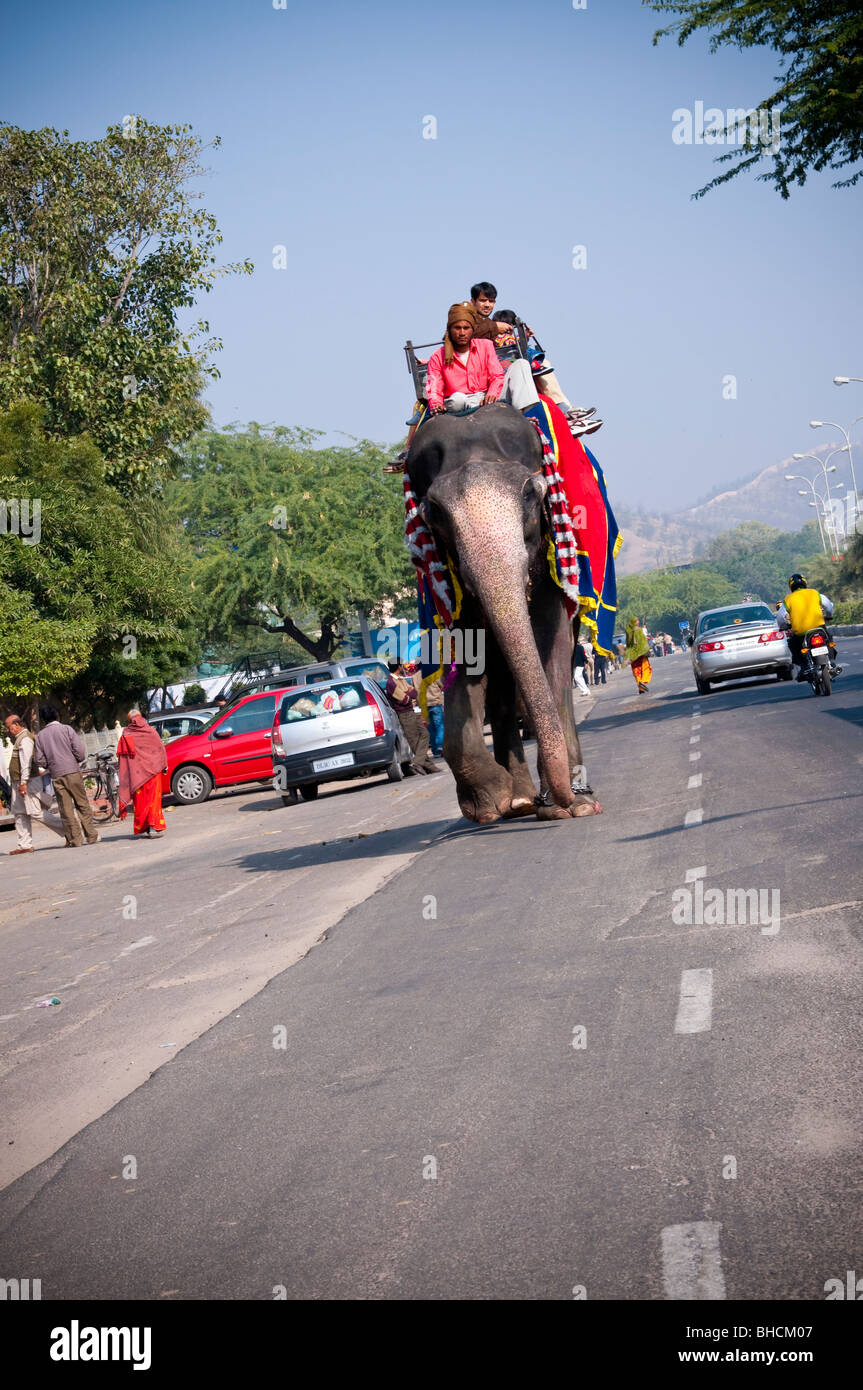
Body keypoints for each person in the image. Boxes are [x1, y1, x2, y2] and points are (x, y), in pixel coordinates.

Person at [425, 302, 541, 417]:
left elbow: (497, 376)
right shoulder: (438, 356)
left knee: (522, 364)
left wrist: (491, 394)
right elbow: (434, 387)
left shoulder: (486, 345)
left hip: (488, 396)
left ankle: (518, 417)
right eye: (457, 328)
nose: (462, 333)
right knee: (457, 400)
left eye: (466, 328)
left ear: (473, 329)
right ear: (450, 330)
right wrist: (436, 405)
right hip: (461, 402)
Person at [34, 706, 100, 847]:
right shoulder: (66, 729)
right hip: (72, 771)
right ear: (57, 715)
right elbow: (80, 750)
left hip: (56, 774)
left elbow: (39, 759)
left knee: (65, 808)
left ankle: (76, 839)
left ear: (44, 719)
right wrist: (76, 759)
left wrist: (50, 765)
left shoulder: (40, 736)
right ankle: (91, 835)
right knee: (82, 804)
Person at [3, 713, 65, 854]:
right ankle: (24, 845)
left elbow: (26, 763)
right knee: (19, 813)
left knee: (35, 812)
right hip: (19, 781)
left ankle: (68, 829)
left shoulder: (25, 739)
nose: (8, 730)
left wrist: (24, 782)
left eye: (9, 727)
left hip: (27, 781)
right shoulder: (20, 739)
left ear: (17, 725)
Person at [117, 708, 169, 838]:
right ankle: (152, 827)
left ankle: (146, 827)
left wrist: (126, 776)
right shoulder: (151, 731)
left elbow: (123, 758)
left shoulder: (126, 733)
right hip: (153, 773)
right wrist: (164, 765)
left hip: (137, 775)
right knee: (153, 800)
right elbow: (160, 749)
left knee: (141, 802)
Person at [776, 574, 838, 679]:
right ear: (805, 583)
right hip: (819, 627)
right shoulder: (815, 593)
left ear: (791, 586)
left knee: (793, 644)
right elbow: (828, 605)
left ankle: (804, 667)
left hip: (801, 632)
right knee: (829, 640)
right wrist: (828, 616)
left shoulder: (788, 599)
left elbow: (780, 618)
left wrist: (784, 626)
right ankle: (831, 661)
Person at [384, 662, 440, 775]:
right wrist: (408, 694)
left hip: (411, 711)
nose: (403, 667)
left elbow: (414, 693)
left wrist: (409, 694)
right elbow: (405, 699)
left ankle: (419, 763)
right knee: (415, 742)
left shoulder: (401, 679)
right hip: (404, 715)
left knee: (425, 734)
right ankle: (429, 767)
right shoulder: (391, 683)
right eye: (402, 665)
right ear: (398, 666)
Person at [625, 617, 652, 694]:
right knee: (645, 668)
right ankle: (642, 682)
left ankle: (640, 685)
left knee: (636, 670)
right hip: (640, 653)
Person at [424, 677, 445, 756]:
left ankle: (435, 751)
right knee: (439, 726)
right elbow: (442, 685)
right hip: (435, 703)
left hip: (424, 706)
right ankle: (440, 745)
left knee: (431, 729)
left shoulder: (415, 677)